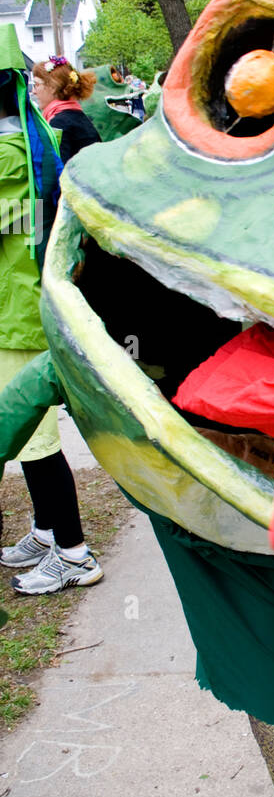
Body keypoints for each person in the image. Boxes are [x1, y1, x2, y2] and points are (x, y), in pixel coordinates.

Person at [0, 31, 102, 593]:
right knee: (34, 437)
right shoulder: (30, 135)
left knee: (36, 441)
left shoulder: (8, 152)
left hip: (16, 316)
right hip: (19, 307)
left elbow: (15, 222)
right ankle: (45, 532)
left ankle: (74, 552)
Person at [31, 56, 101, 165]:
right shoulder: (76, 115)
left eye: (36, 85)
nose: (33, 91)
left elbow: (60, 171)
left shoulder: (59, 123)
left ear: (53, 87)